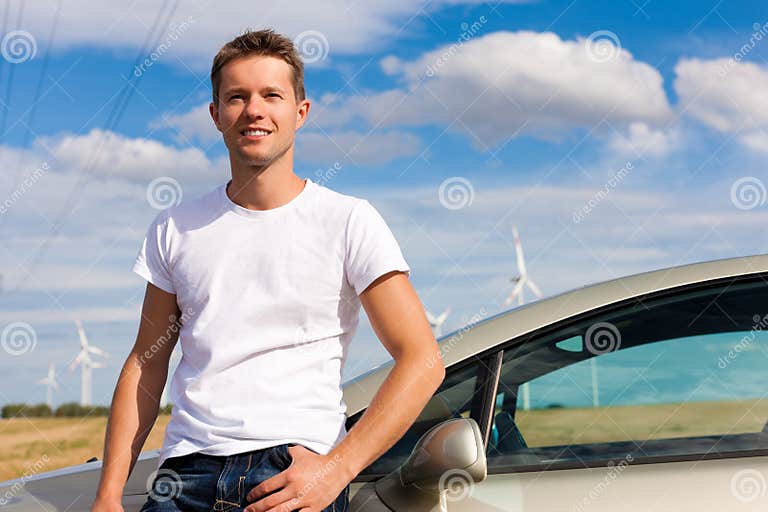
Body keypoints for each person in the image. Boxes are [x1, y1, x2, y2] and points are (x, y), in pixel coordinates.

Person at [91, 28, 445, 512]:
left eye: (271, 95)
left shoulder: (349, 220)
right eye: (236, 97)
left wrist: (336, 469)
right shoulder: (174, 226)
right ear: (216, 116)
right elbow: (146, 363)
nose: (253, 110)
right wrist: (109, 494)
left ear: (300, 112)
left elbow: (422, 359)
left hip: (291, 477)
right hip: (184, 477)